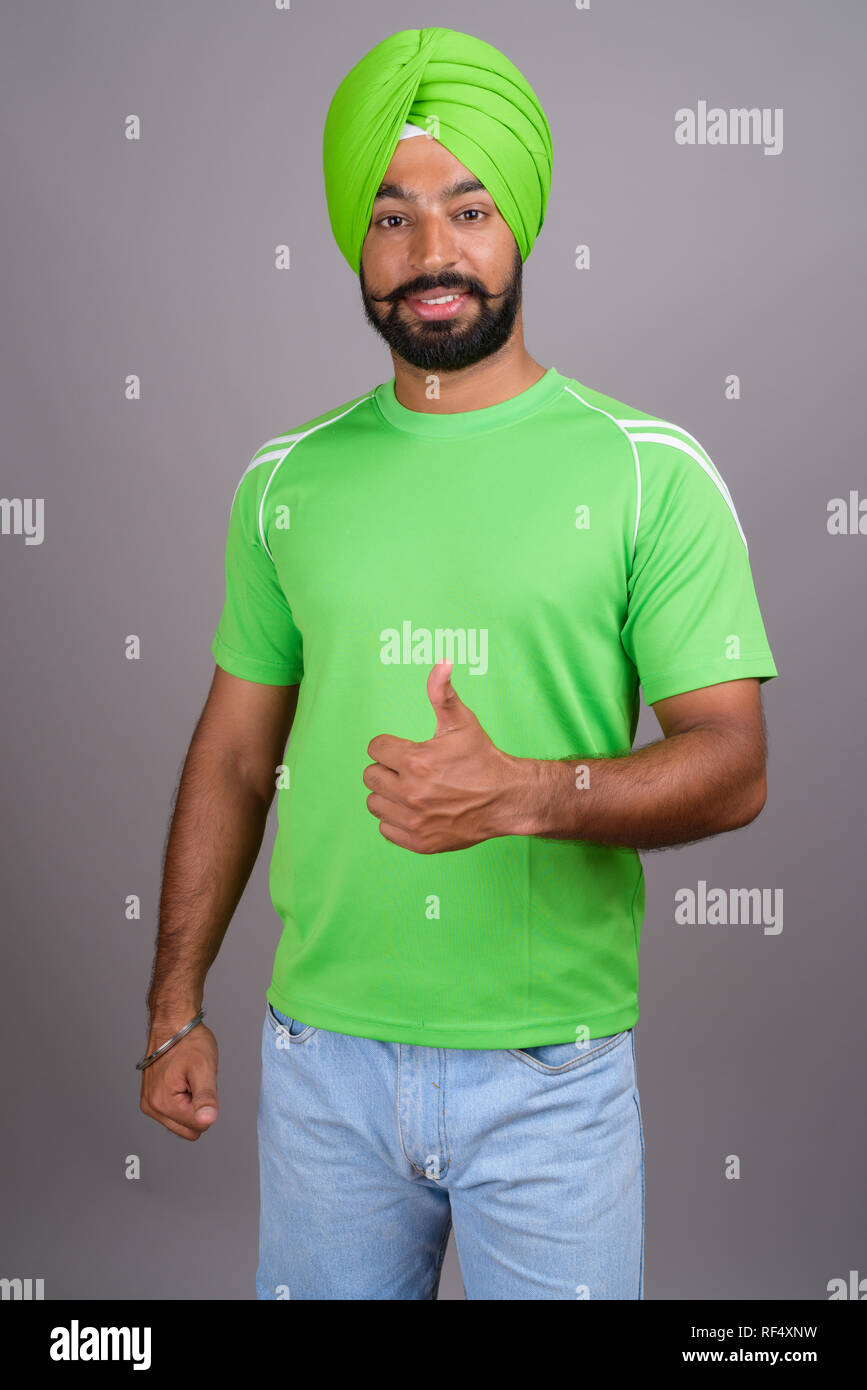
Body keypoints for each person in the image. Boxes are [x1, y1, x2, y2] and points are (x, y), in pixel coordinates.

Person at [138, 26, 778, 1300]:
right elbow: (232, 752)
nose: (433, 254)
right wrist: (175, 1006)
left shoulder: (649, 472)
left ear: (520, 226)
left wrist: (528, 794)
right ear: (356, 243)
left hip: (553, 1078)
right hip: (322, 1067)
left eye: (469, 209)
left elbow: (734, 766)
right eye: (393, 217)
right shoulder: (286, 482)